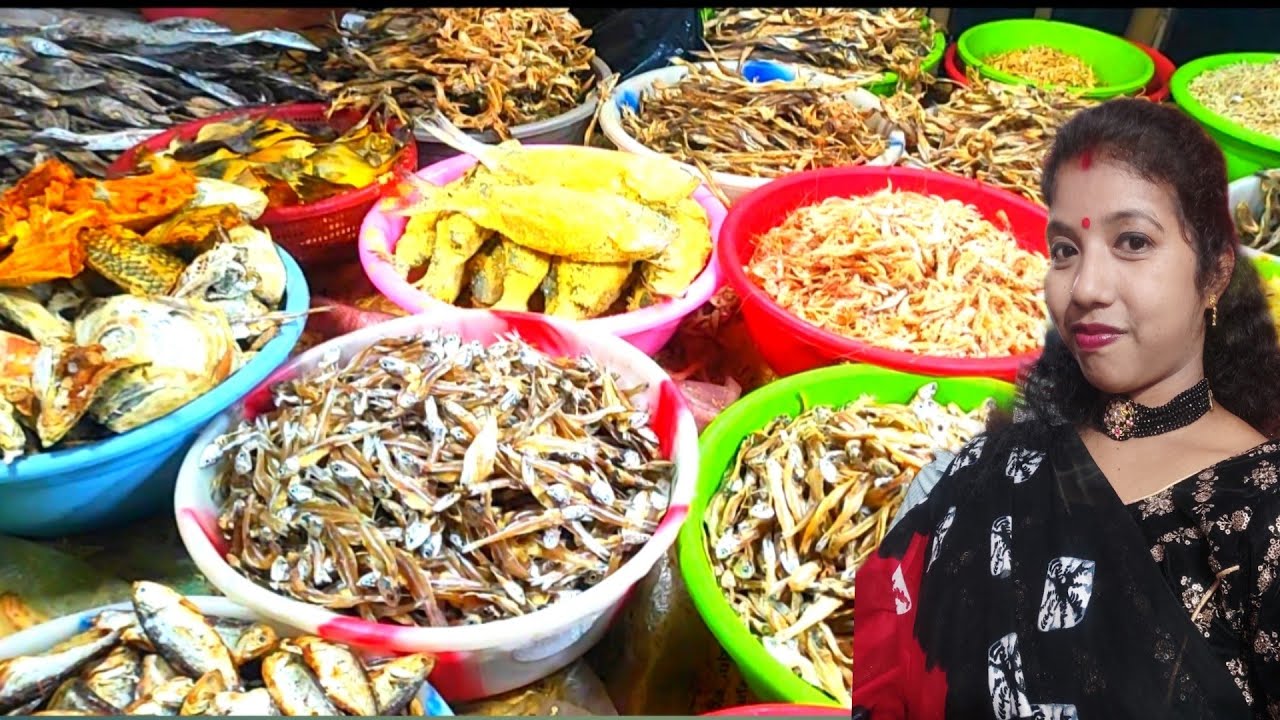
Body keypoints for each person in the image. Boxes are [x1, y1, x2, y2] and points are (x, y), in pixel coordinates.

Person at [852, 98, 1280, 719]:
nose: (1085, 288)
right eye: (1064, 249)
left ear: (1213, 275)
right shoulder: (995, 467)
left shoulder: (1261, 513)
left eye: (1133, 242)